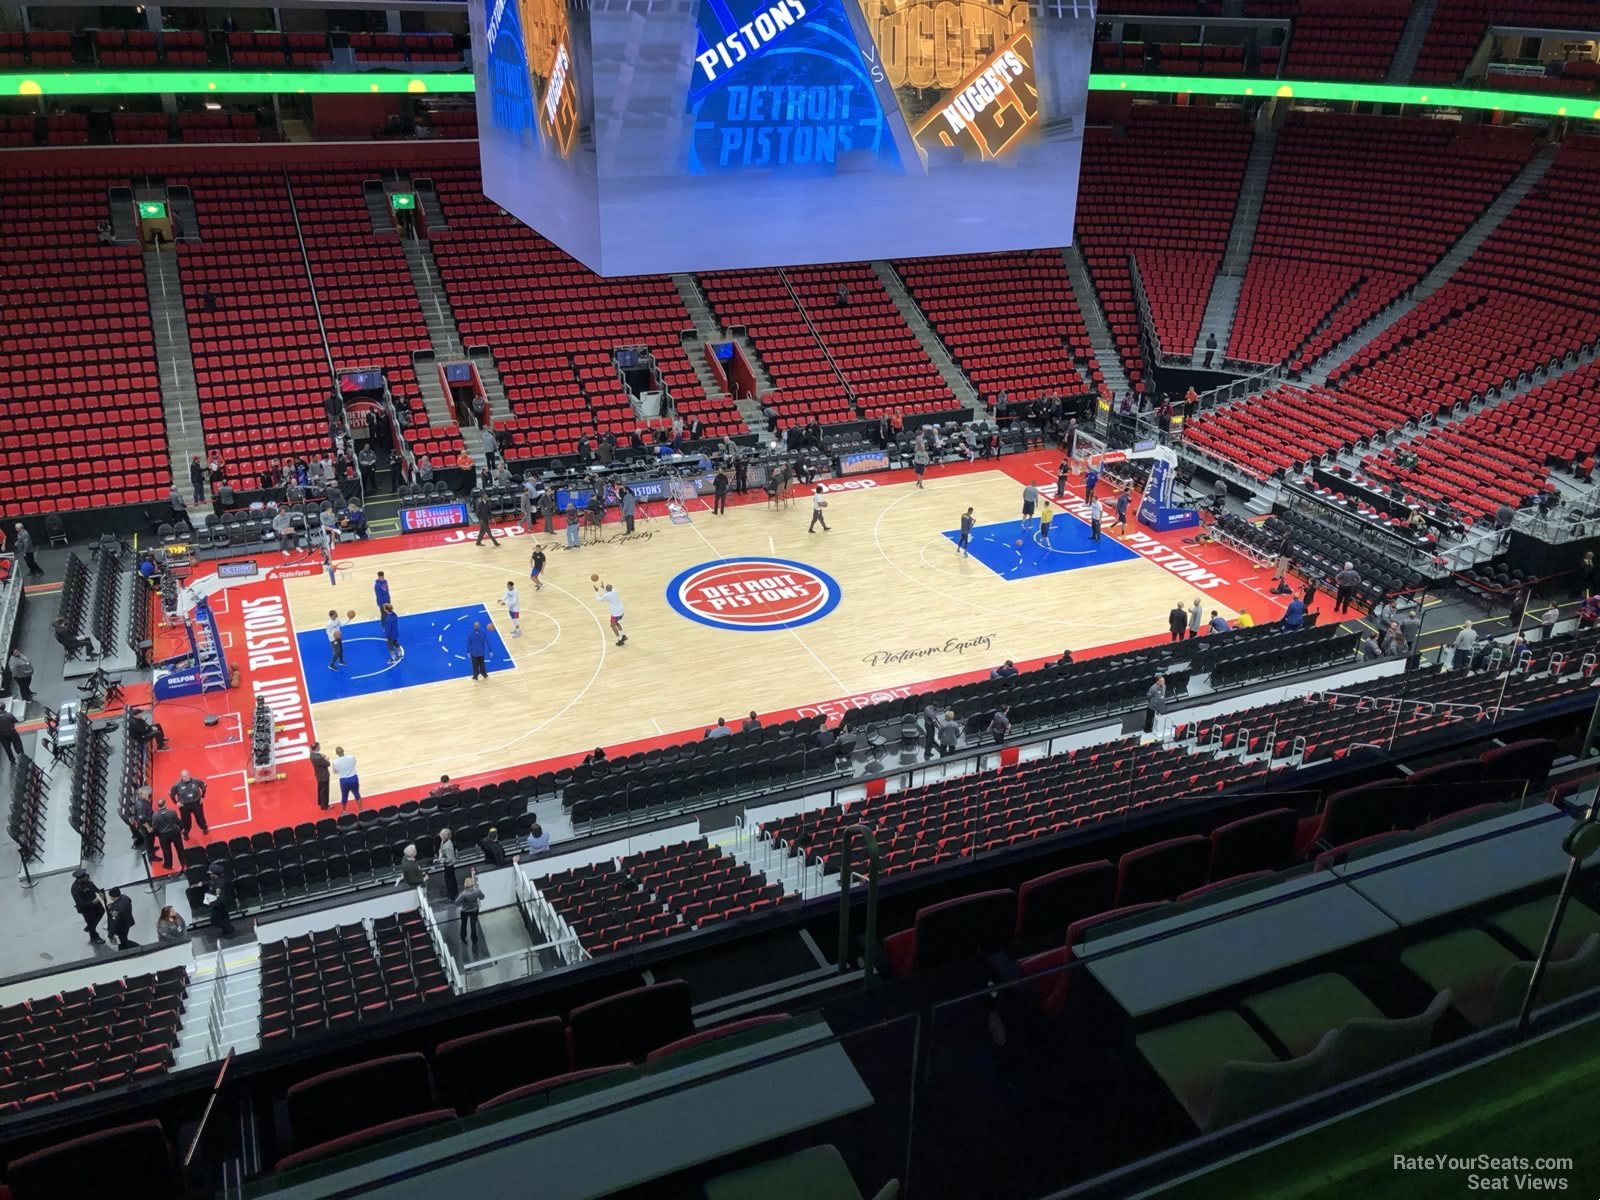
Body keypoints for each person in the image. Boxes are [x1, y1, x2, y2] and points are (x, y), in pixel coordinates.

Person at [70, 868, 105, 944]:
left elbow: (93, 887)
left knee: (102, 911)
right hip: (86, 908)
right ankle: (94, 938)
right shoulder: (75, 889)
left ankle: (89, 926)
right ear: (80, 879)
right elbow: (80, 902)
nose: (87, 878)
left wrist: (99, 892)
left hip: (95, 904)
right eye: (85, 877)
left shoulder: (87, 881)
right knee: (91, 921)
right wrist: (92, 902)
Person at [170, 769, 209, 837]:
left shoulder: (196, 781)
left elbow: (204, 787)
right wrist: (176, 802)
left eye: (187, 775)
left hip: (196, 803)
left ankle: (204, 828)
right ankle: (186, 833)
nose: (187, 777)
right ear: (182, 777)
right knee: (186, 821)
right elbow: (171, 794)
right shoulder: (177, 785)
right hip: (184, 806)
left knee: (200, 818)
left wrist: (202, 797)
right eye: (185, 776)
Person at [204, 862, 235, 938]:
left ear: (215, 874)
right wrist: (203, 883)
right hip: (220, 904)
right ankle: (228, 931)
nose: (210, 875)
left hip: (221, 905)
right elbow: (211, 884)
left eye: (211, 873)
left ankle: (229, 929)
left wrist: (211, 904)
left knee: (215, 920)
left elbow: (219, 897)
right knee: (224, 919)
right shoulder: (216, 880)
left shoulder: (220, 884)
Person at [151, 798, 183, 869]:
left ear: (158, 806)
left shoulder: (155, 816)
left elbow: (155, 828)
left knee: (166, 851)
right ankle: (183, 862)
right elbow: (178, 821)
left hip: (163, 835)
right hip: (174, 833)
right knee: (179, 848)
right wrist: (181, 829)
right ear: (165, 804)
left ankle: (168, 865)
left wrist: (158, 835)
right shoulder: (172, 812)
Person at [457, 871, 484, 949]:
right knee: (473, 926)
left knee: (463, 925)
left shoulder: (463, 894)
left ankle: (463, 937)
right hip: (474, 910)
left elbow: (457, 902)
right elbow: (482, 897)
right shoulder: (477, 891)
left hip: (464, 911)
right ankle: (474, 940)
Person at [437, 828, 459, 901]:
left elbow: (449, 859)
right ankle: (454, 892)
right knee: (451, 879)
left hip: (449, 865)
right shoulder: (443, 841)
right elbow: (440, 849)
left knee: (449, 881)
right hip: (447, 864)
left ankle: (452, 896)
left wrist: (441, 860)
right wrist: (440, 854)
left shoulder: (447, 846)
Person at [1271, 530, 1295, 594]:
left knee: (1281, 567)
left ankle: (1278, 577)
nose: (1284, 534)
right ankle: (1280, 576)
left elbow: (1289, 550)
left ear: (1288, 536)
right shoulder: (1285, 540)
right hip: (1283, 556)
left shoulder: (1289, 542)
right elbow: (1282, 544)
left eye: (1285, 534)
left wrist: (1285, 556)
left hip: (1285, 556)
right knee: (1282, 567)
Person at [309, 741, 331, 811]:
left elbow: (319, 757)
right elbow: (327, 764)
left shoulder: (312, 754)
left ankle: (320, 802)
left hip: (318, 774)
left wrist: (322, 757)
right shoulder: (319, 758)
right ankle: (325, 806)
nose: (320, 747)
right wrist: (326, 759)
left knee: (320, 789)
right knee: (325, 791)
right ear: (316, 748)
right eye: (319, 746)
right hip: (323, 776)